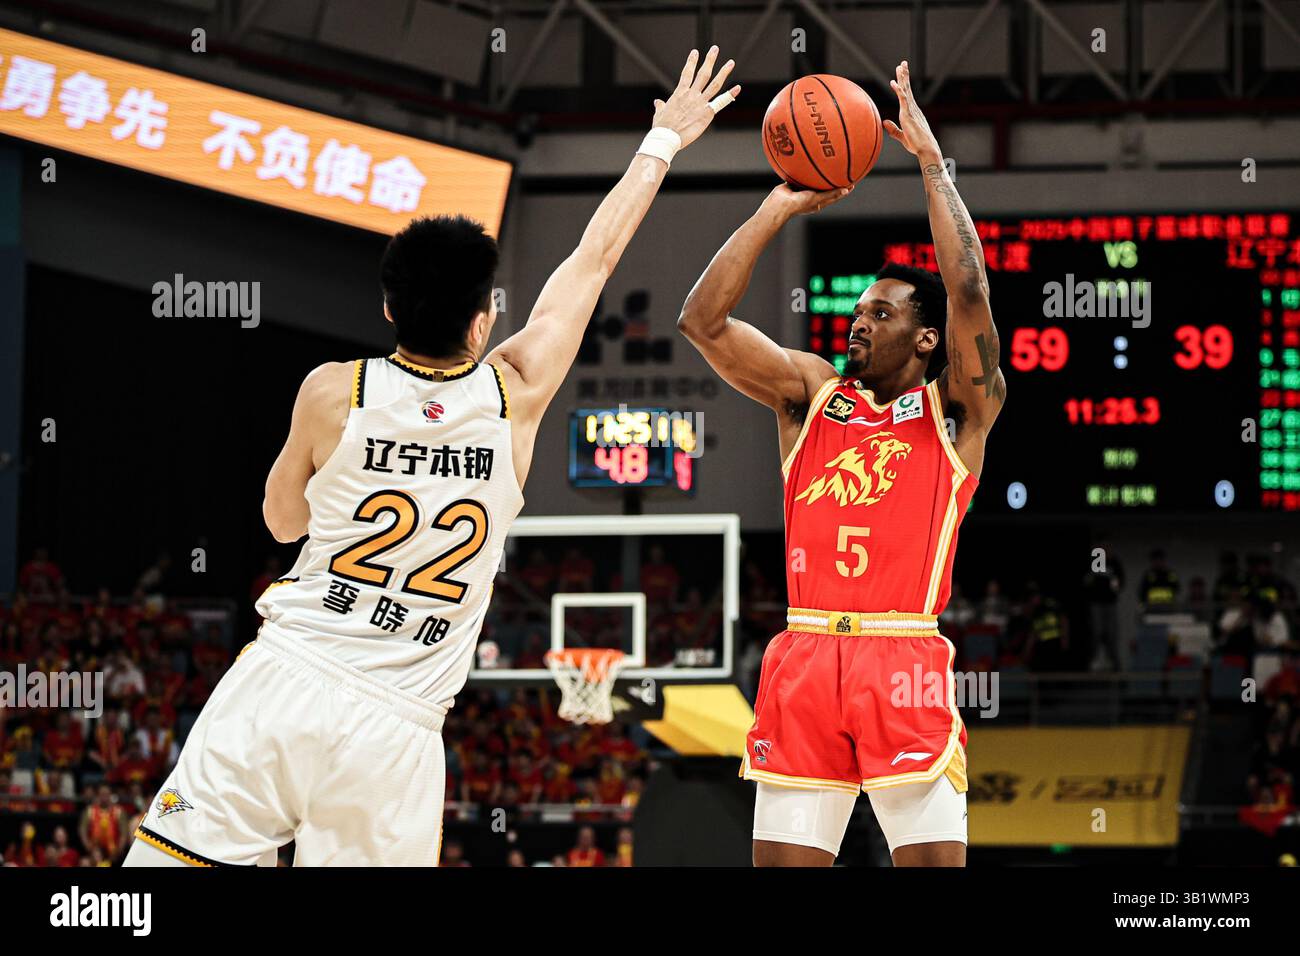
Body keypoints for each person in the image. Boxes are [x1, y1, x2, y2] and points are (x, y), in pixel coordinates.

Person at [124, 47, 740, 868]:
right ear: (484, 320)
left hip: (286, 680)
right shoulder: (515, 394)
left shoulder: (329, 390)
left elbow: (280, 521)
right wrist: (661, 140)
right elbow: (591, 263)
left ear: (387, 306)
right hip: (396, 730)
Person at [677, 61, 1005, 867]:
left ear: (925, 340)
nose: (859, 322)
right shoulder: (811, 396)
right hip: (805, 653)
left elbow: (969, 295)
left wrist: (933, 167)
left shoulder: (956, 410)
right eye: (857, 310)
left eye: (881, 313)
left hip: (905, 656)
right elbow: (702, 322)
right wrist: (774, 207)